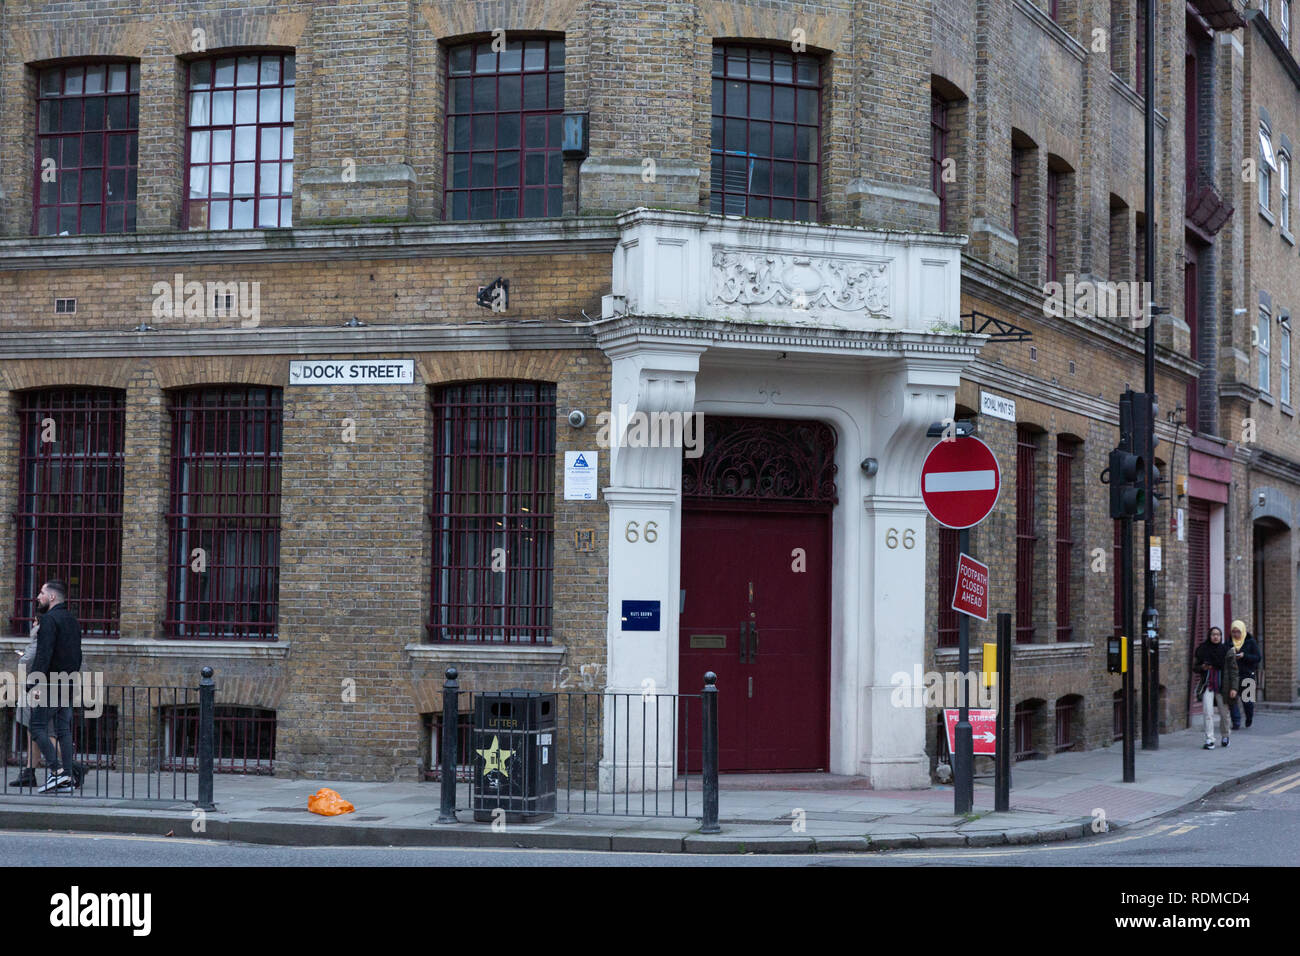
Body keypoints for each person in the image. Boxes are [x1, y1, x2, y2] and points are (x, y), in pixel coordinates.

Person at [26, 580, 84, 793]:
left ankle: (57, 771)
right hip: (68, 682)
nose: (38, 597)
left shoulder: (49, 620)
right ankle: (67, 777)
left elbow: (44, 654)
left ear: (52, 597)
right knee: (62, 730)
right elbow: (77, 654)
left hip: (50, 683)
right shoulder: (72, 620)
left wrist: (34, 681)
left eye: (41, 593)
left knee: (36, 726)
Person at [8, 615, 41, 789]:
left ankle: (71, 766)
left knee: (40, 731)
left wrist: (22, 657)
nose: (33, 624)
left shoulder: (38, 638)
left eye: (35, 621)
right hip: (38, 687)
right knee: (34, 730)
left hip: (34, 688)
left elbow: (27, 660)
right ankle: (29, 770)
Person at [1194, 625, 1238, 750]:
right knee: (1208, 712)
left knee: (1224, 714)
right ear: (1209, 636)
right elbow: (1195, 667)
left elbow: (1234, 672)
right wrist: (1203, 667)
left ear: (1221, 636)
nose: (1215, 637)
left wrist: (1234, 688)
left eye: (1218, 634)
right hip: (1207, 685)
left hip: (1223, 686)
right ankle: (1209, 739)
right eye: (1213, 634)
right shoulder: (1203, 649)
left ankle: (1225, 735)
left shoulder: (1227, 651)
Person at [1227, 620, 1261, 730]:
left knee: (1248, 702)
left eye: (1238, 632)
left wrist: (1244, 656)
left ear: (1243, 631)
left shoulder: (1250, 642)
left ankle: (1249, 717)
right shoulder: (1228, 643)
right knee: (1232, 700)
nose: (1236, 634)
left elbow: (1257, 658)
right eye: (1234, 632)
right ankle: (1236, 722)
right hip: (1233, 677)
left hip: (1247, 675)